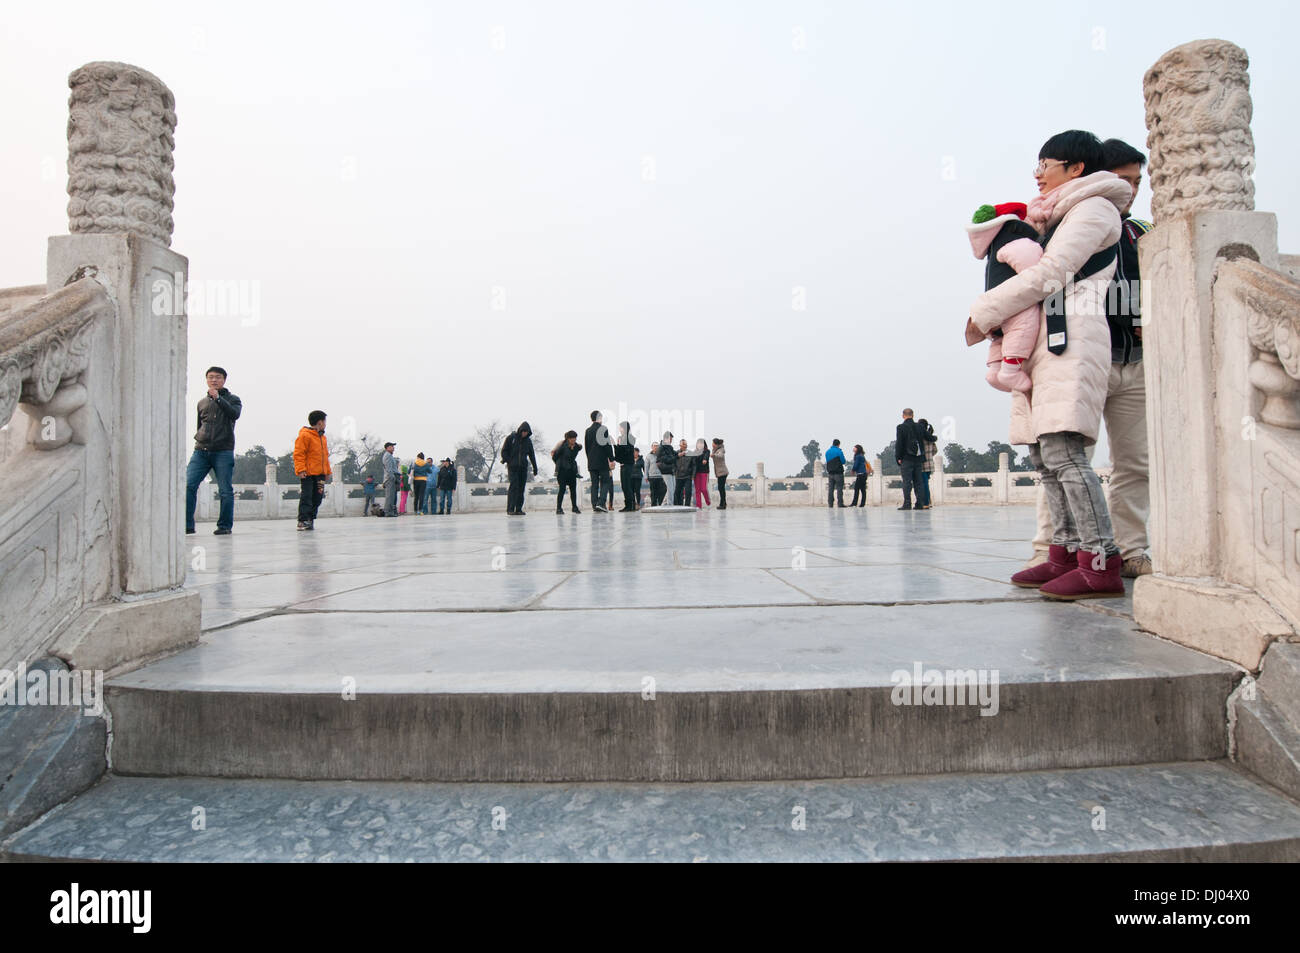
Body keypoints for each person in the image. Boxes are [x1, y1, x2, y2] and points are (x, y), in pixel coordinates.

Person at [969, 130, 1131, 599]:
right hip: (1043, 340)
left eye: (1047, 164)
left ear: (1076, 168)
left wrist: (985, 311)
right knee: (1042, 455)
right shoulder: (1051, 216)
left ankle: (1100, 562)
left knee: (1065, 451)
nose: (1037, 174)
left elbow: (1052, 273)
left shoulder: (1092, 209)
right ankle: (1062, 554)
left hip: (1073, 338)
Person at [1023, 138, 1154, 579]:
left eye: (1137, 181)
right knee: (1065, 458)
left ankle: (1131, 548)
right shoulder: (1065, 225)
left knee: (1136, 463)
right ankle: (1052, 550)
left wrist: (1146, 315)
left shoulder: (1142, 234)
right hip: (1082, 356)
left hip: (1133, 360)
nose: (1130, 189)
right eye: (1122, 180)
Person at [965, 202, 1043, 393]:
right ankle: (1009, 369)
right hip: (1013, 304)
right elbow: (1035, 269)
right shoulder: (1014, 239)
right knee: (1023, 327)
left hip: (993, 309)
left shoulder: (993, 249)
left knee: (1000, 339)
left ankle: (994, 370)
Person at [185, 366, 242, 536]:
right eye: (210, 377)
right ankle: (187, 524)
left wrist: (218, 399)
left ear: (224, 380)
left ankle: (224, 526)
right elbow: (200, 425)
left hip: (223, 451)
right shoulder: (202, 403)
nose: (214, 380)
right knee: (188, 485)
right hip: (201, 450)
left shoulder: (233, 399)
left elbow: (234, 415)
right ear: (206, 379)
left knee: (225, 490)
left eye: (217, 377)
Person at [293, 410, 331, 531]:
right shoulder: (305, 435)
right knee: (307, 497)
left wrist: (327, 471)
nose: (325, 424)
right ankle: (302, 520)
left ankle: (310, 519)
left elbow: (325, 456)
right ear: (320, 422)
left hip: (320, 474)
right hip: (308, 474)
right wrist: (301, 469)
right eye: (324, 421)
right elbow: (299, 454)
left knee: (318, 497)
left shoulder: (322, 438)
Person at [502, 420, 538, 515]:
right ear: (520, 430)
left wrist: (535, 468)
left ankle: (518, 509)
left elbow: (532, 455)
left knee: (521, 488)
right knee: (514, 487)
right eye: (523, 431)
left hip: (523, 467)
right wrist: (509, 460)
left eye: (526, 432)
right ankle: (510, 509)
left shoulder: (528, 441)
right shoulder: (511, 438)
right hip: (513, 467)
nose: (524, 433)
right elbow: (504, 451)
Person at [584, 411, 614, 513]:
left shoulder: (588, 431)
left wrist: (590, 459)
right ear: (599, 418)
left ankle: (594, 505)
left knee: (594, 484)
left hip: (591, 462)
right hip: (602, 461)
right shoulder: (603, 429)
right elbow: (607, 445)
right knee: (605, 482)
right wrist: (611, 459)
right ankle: (601, 503)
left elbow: (587, 448)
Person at [895, 410, 924, 510]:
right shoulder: (919, 426)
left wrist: (898, 457)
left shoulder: (901, 427)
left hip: (906, 458)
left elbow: (899, 444)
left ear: (903, 416)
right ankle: (919, 503)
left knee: (907, 482)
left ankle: (907, 503)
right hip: (918, 458)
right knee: (918, 482)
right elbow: (929, 437)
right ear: (913, 415)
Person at [553, 431, 582, 514]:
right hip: (562, 471)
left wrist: (578, 446)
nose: (574, 440)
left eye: (575, 438)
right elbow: (554, 456)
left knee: (573, 490)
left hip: (572, 470)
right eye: (572, 438)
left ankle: (574, 507)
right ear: (568, 439)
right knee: (562, 489)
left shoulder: (576, 446)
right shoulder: (562, 446)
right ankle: (559, 508)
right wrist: (559, 463)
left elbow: (580, 447)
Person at [614, 421, 639, 511]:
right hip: (624, 464)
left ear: (624, 428)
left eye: (620, 428)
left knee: (626, 485)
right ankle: (629, 505)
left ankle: (630, 505)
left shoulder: (628, 438)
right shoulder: (623, 438)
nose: (619, 430)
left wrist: (618, 445)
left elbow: (626, 450)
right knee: (624, 485)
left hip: (627, 464)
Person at [916, 419, 938, 509]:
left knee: (923, 484)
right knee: (926, 483)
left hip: (922, 464)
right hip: (930, 464)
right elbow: (935, 450)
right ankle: (928, 501)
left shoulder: (920, 438)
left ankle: (925, 502)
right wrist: (929, 456)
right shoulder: (930, 438)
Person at [825, 438, 847, 508]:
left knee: (830, 489)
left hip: (830, 473)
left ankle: (830, 504)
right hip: (838, 473)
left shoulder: (827, 452)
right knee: (839, 489)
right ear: (838, 444)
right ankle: (840, 504)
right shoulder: (839, 451)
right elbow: (843, 461)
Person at [657, 432, 677, 506]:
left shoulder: (670, 447)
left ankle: (664, 504)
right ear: (666, 439)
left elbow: (674, 454)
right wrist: (675, 458)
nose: (671, 441)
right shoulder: (661, 448)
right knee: (670, 489)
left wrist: (679, 454)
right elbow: (666, 459)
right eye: (670, 439)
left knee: (672, 488)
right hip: (665, 470)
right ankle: (670, 505)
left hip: (671, 470)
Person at [673, 438, 694, 506]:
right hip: (678, 476)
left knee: (688, 492)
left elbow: (694, 465)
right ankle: (678, 506)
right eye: (683, 444)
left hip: (688, 476)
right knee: (677, 492)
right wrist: (675, 471)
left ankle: (687, 506)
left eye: (686, 444)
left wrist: (693, 475)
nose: (685, 445)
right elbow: (673, 463)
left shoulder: (690, 453)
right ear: (680, 445)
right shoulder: (676, 453)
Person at [381, 442, 399, 516]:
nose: (393, 448)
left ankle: (390, 511)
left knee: (392, 496)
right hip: (390, 478)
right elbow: (389, 469)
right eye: (392, 446)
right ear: (387, 448)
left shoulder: (389, 456)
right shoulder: (387, 456)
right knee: (389, 496)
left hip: (392, 477)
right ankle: (388, 512)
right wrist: (392, 477)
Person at [693, 438, 712, 508]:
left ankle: (708, 501)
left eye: (701, 443)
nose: (700, 445)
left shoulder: (707, 451)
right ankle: (699, 506)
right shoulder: (694, 452)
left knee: (703, 489)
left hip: (704, 472)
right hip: (696, 473)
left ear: (704, 444)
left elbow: (706, 456)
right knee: (697, 490)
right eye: (699, 443)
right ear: (697, 444)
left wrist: (704, 459)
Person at [646, 441, 665, 506]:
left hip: (661, 477)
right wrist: (646, 476)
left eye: (657, 446)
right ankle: (653, 506)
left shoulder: (662, 455)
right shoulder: (648, 456)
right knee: (653, 493)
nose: (656, 447)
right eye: (654, 446)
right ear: (652, 447)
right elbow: (646, 466)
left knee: (661, 493)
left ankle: (661, 506)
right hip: (652, 477)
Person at [711, 438, 728, 510]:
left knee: (721, 488)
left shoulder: (721, 450)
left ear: (716, 444)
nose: (712, 444)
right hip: (719, 472)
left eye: (713, 443)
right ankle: (723, 503)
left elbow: (720, 456)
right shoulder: (715, 450)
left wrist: (714, 455)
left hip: (723, 472)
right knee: (721, 488)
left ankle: (723, 504)